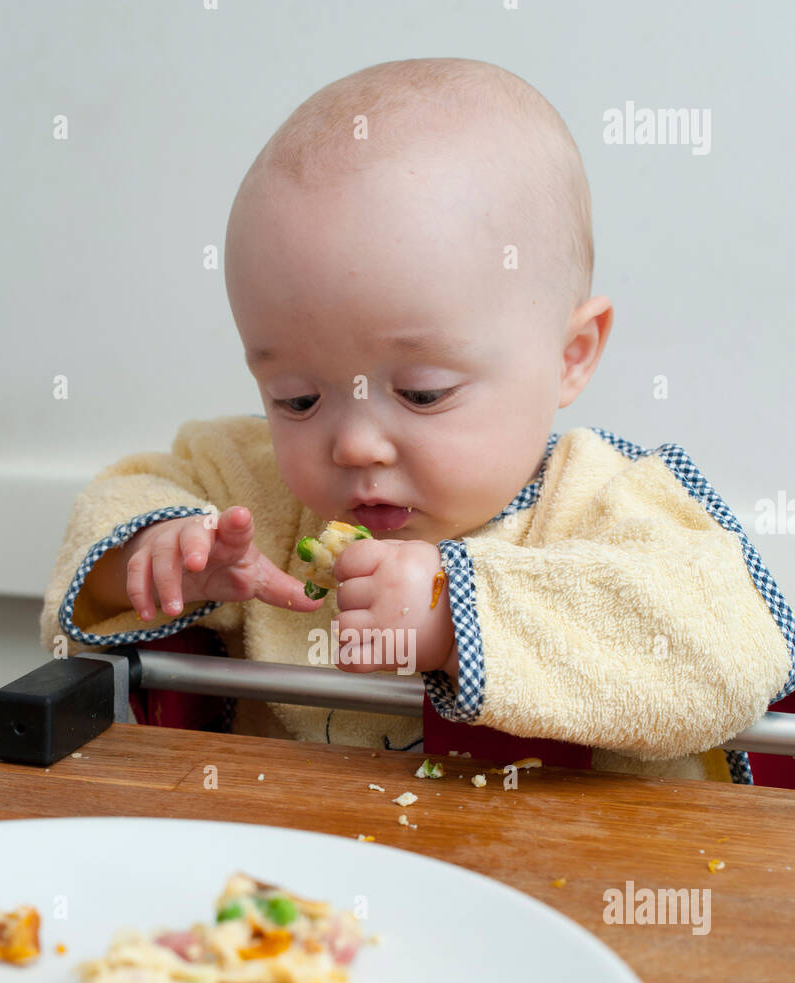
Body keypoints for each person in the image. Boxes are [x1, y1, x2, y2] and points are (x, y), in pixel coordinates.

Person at [40, 58, 795, 784]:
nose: (354, 443)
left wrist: (453, 614)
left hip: (573, 888)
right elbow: (123, 496)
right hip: (303, 886)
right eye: (297, 399)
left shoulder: (612, 502)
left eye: (424, 392)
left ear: (569, 355)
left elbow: (730, 654)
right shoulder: (251, 494)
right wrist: (160, 553)